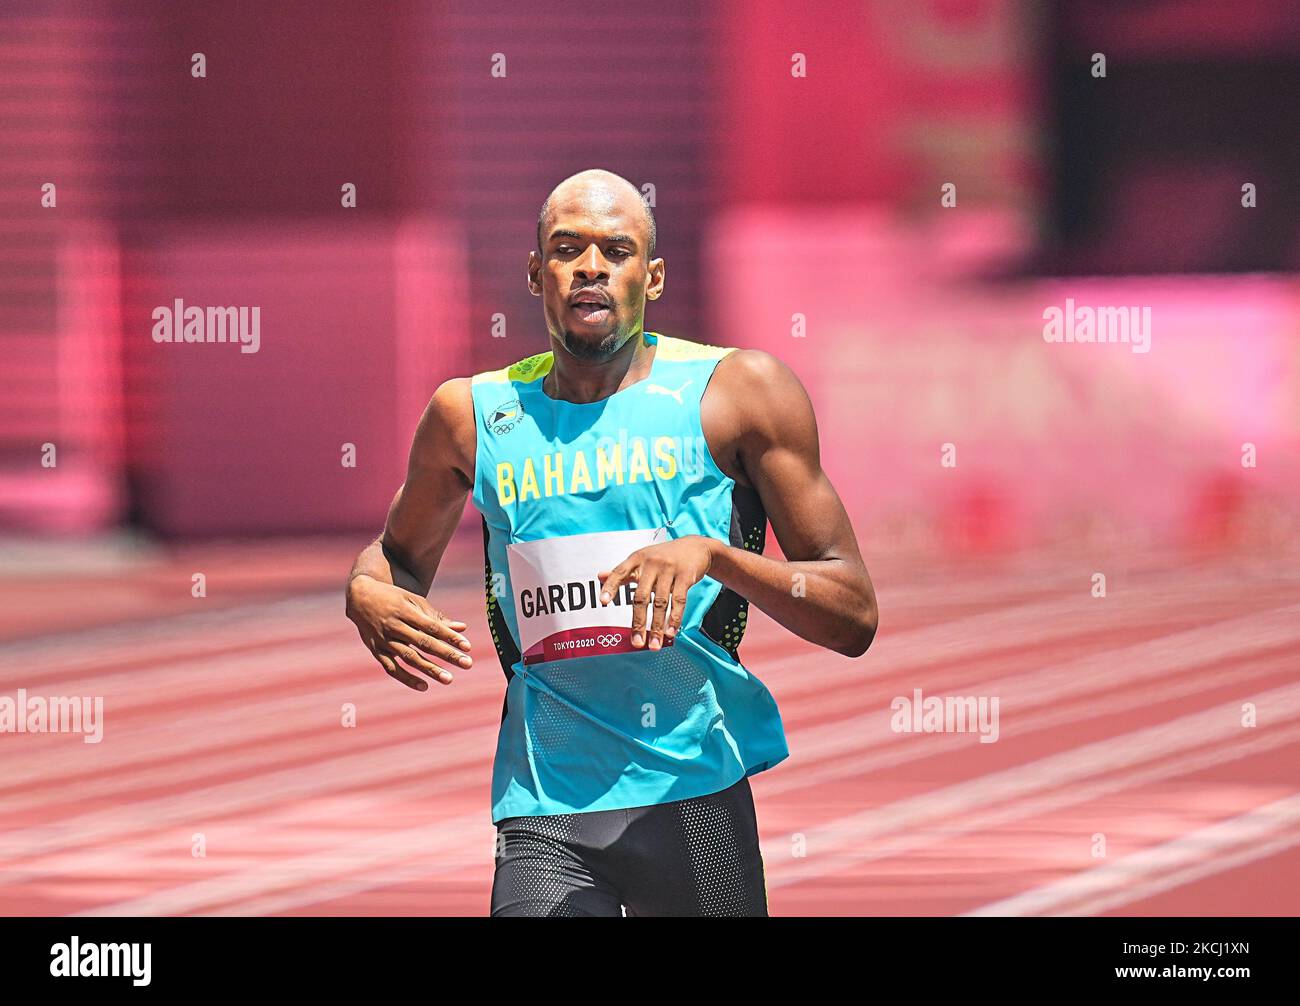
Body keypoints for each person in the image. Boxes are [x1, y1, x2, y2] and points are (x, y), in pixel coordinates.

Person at [344, 168, 878, 916]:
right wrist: (364, 592)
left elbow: (853, 611)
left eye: (616, 250)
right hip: (544, 806)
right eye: (567, 249)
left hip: (695, 793)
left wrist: (714, 556)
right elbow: (397, 559)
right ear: (537, 273)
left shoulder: (737, 395)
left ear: (651, 276)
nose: (590, 266)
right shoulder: (473, 415)